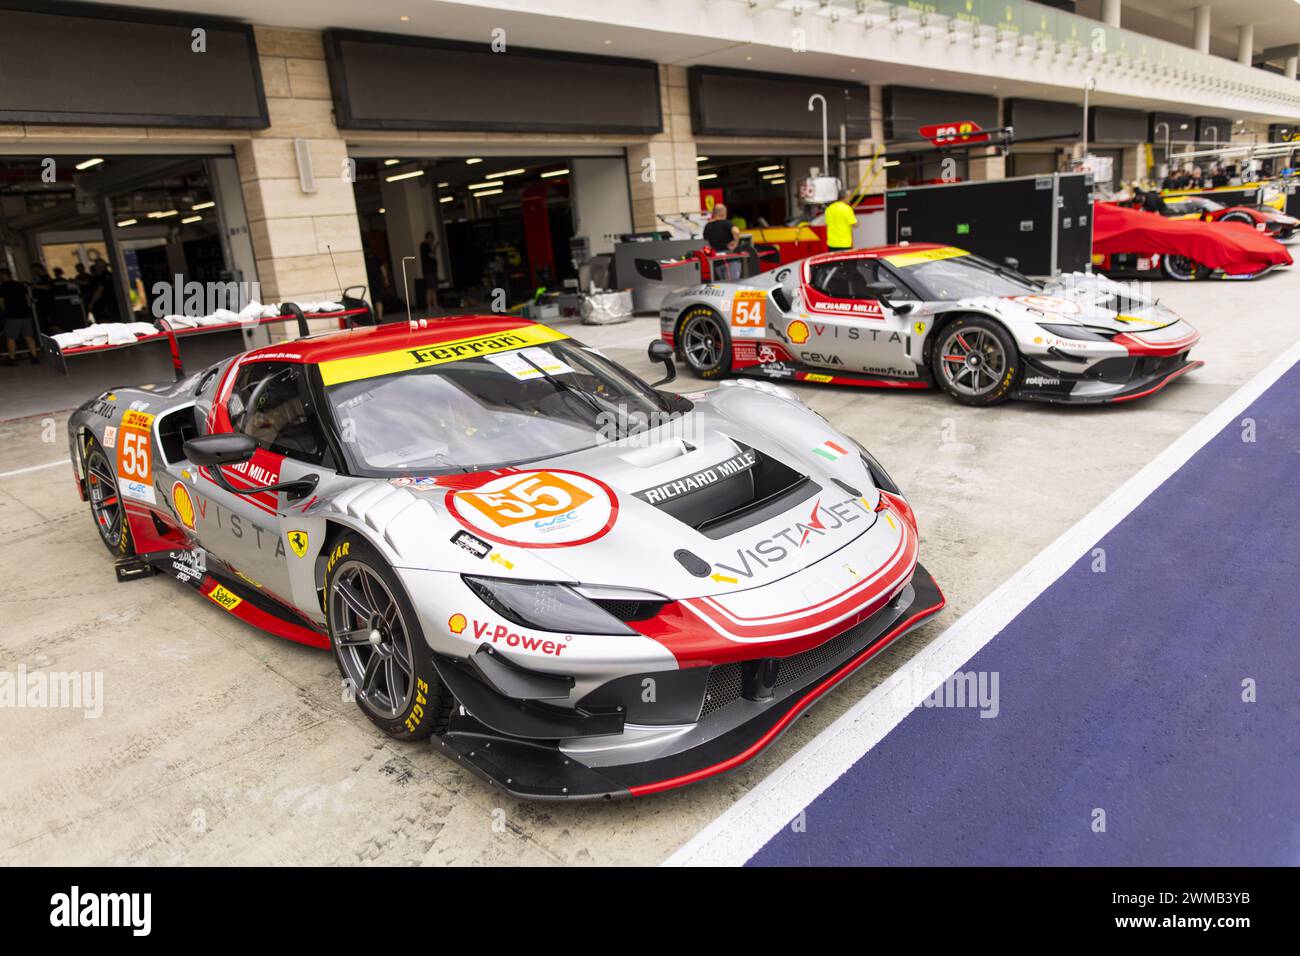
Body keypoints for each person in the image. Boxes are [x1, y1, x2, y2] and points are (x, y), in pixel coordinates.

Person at [0, 268, 39, 365]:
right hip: (25, 314)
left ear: (3, 275)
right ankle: (34, 357)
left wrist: (5, 311)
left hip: (13, 316)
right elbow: (27, 299)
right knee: (29, 336)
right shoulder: (19, 284)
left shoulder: (2, 287)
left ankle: (12, 359)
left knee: (11, 338)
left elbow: (1, 302)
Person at [419, 230, 440, 312]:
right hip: (428, 271)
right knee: (430, 288)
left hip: (433, 270)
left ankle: (435, 305)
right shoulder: (424, 245)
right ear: (428, 238)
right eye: (431, 238)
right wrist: (435, 247)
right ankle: (429, 307)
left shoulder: (428, 246)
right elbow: (432, 254)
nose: (432, 240)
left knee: (434, 288)